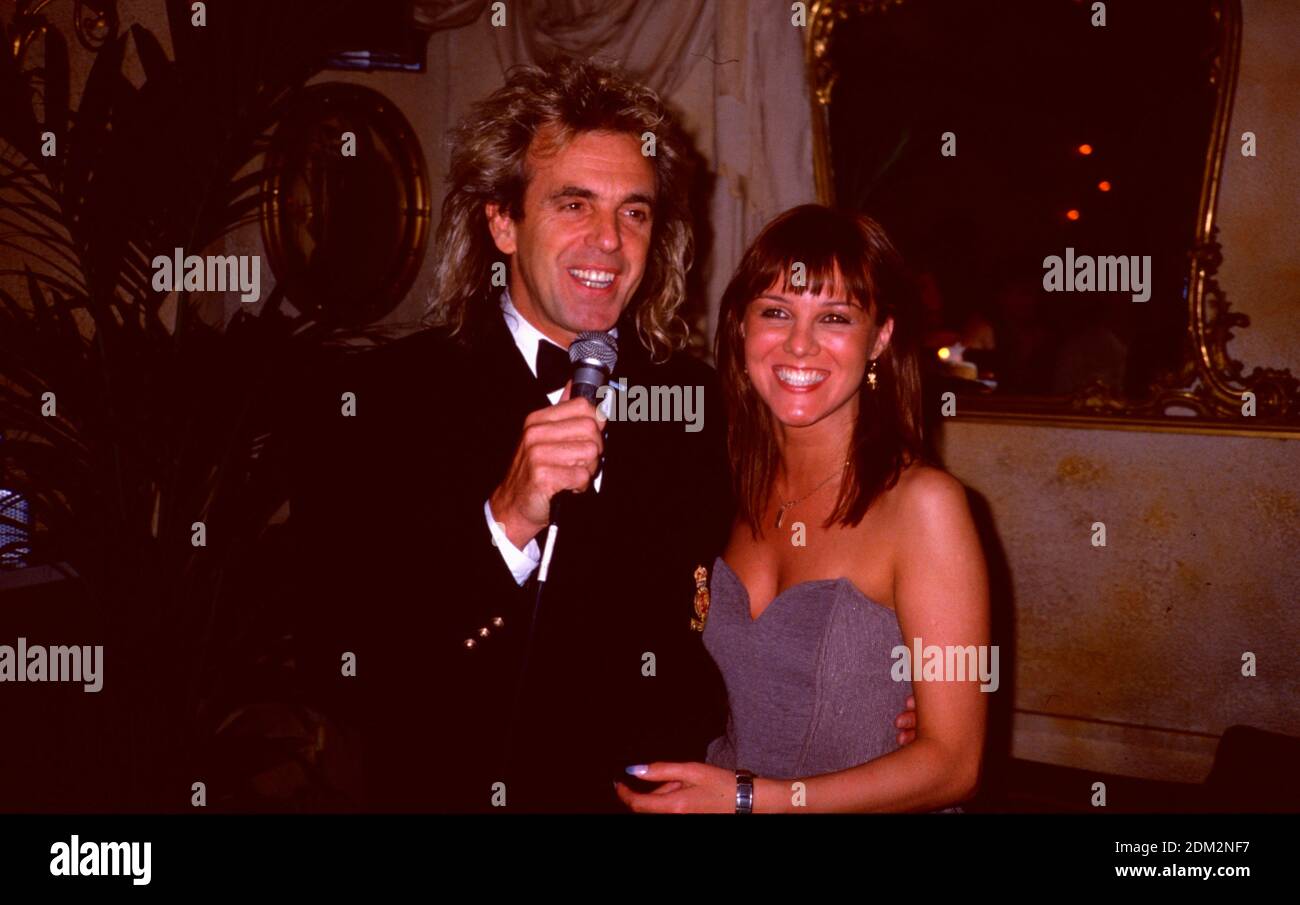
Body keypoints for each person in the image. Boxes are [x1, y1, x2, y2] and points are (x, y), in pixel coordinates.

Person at [290, 60, 917, 813]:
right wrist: (506, 521)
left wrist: (884, 689)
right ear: (501, 221)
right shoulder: (380, 400)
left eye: (635, 212)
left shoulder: (706, 401)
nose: (609, 242)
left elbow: (811, 548)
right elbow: (338, 661)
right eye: (574, 204)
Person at [615, 205, 988, 813]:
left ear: (882, 337)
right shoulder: (719, 482)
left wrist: (748, 799)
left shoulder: (926, 507)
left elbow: (954, 766)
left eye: (835, 317)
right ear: (740, 327)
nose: (799, 343)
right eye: (776, 311)